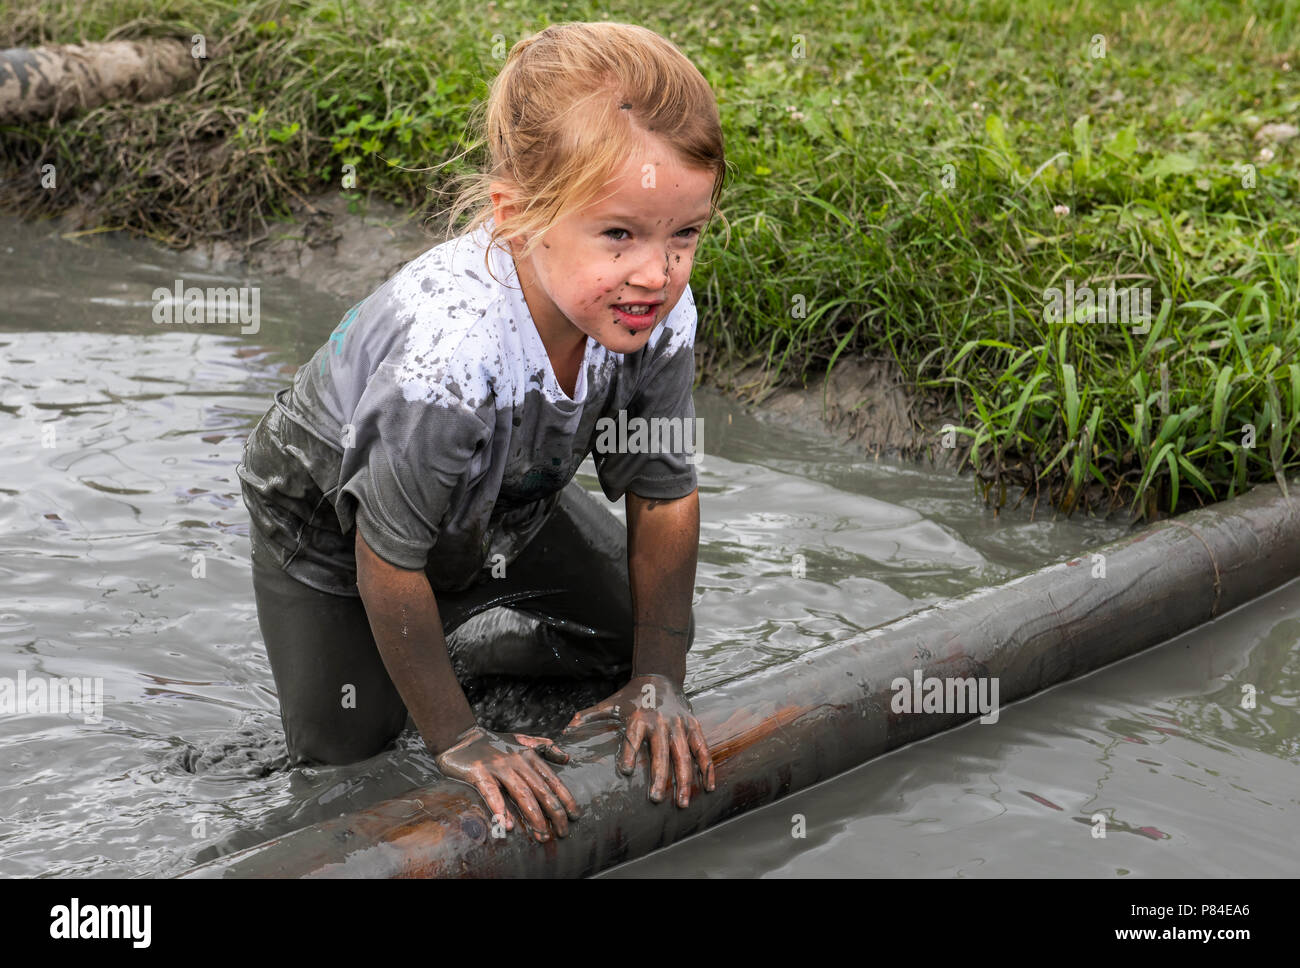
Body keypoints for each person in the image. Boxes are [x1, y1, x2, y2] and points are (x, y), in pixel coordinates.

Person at [237, 21, 726, 843]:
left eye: (685, 234)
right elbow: (388, 561)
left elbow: (664, 496)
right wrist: (461, 743)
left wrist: (657, 679)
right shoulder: (452, 357)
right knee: (351, 761)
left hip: (498, 499)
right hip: (330, 525)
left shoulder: (659, 313)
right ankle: (428, 674)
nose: (658, 272)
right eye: (620, 234)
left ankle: (459, 642)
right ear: (516, 217)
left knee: (617, 643)